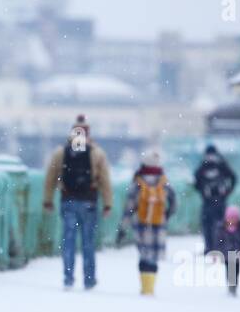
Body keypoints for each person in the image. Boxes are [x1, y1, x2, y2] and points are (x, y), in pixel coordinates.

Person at [42, 114, 112, 290]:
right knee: (88, 242)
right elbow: (105, 180)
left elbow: (50, 178)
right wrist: (107, 204)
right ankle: (88, 280)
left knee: (69, 241)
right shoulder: (97, 153)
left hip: (68, 201)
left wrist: (48, 200)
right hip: (89, 202)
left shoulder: (61, 152)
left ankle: (68, 278)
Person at [122, 149, 177, 295]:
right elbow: (174, 201)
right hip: (159, 223)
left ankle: (144, 287)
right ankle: (150, 288)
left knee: (144, 255)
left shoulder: (138, 182)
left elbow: (129, 206)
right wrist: (166, 215)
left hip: (141, 223)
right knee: (154, 257)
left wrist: (123, 225)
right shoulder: (163, 181)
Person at [194, 143, 237, 255]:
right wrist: (227, 191)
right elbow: (233, 177)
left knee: (214, 225)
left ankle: (213, 247)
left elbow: (196, 183)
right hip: (215, 201)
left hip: (214, 201)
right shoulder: (217, 165)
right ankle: (215, 247)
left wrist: (226, 192)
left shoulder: (211, 165)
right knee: (214, 225)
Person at [211, 205, 240, 296]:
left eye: (235, 218)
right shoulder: (221, 228)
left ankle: (234, 287)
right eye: (231, 218)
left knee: (237, 272)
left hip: (238, 255)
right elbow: (217, 242)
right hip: (226, 255)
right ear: (226, 218)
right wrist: (215, 253)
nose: (232, 220)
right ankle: (231, 287)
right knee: (229, 271)